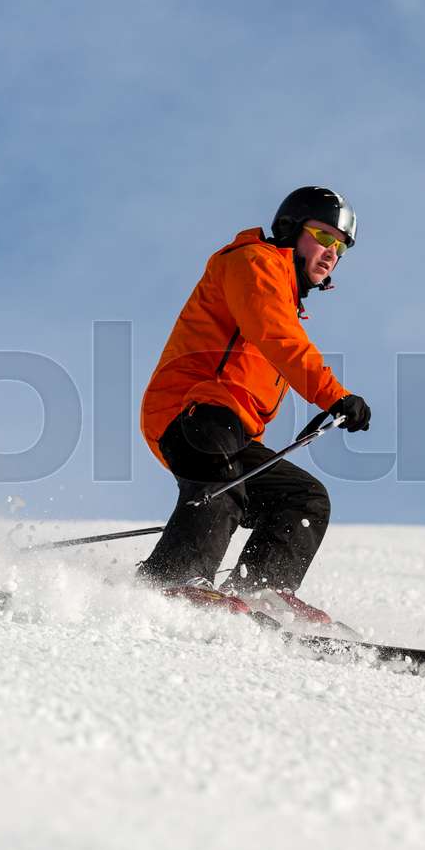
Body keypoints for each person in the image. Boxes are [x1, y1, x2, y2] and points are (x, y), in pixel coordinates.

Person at [136, 186, 371, 625]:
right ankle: (174, 581)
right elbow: (279, 338)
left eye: (340, 247)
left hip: (228, 428)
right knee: (221, 480)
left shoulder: (285, 297)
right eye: (323, 237)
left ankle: (259, 590)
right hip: (189, 411)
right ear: (290, 229)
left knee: (303, 499)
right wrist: (333, 394)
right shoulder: (253, 262)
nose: (331, 252)